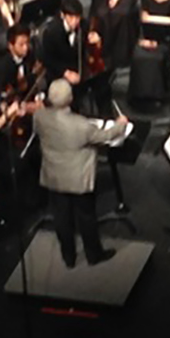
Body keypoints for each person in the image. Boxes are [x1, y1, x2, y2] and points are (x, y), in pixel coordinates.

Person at [32, 77, 130, 269]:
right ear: (70, 99)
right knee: (86, 217)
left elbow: (39, 133)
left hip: (54, 177)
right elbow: (105, 136)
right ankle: (94, 254)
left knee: (61, 218)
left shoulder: (39, 117)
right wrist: (121, 124)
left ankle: (68, 257)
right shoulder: (80, 125)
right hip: (78, 179)